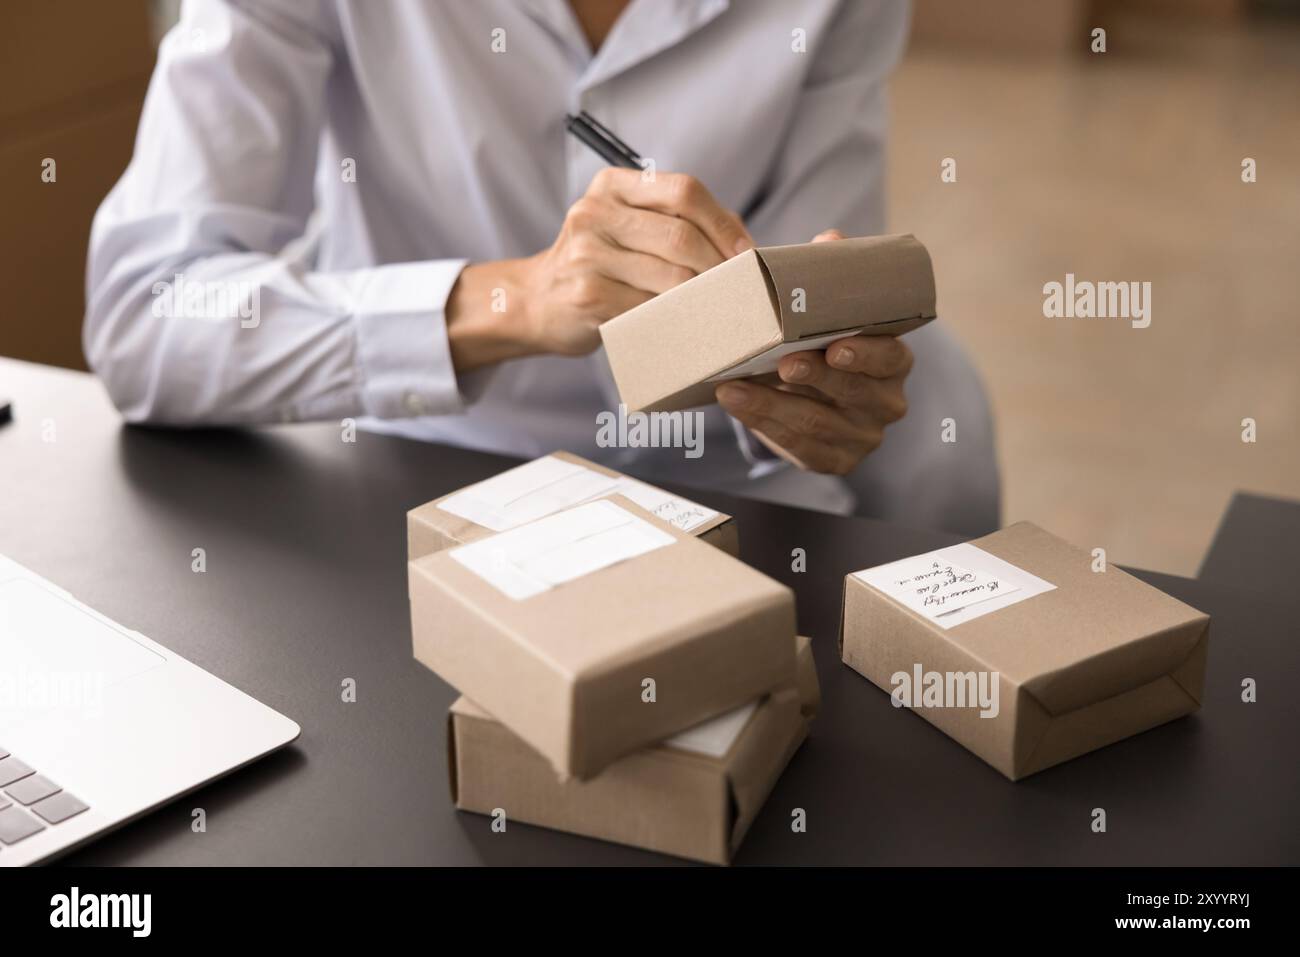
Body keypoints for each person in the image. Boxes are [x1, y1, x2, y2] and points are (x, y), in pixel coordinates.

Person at [85, 0, 999, 535]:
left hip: (731, 476)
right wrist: (512, 298)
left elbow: (807, 306)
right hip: (419, 467)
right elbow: (144, 314)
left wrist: (813, 399)